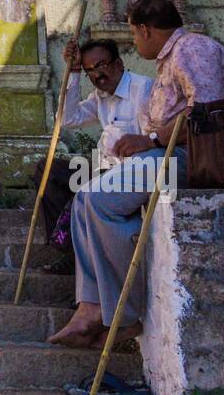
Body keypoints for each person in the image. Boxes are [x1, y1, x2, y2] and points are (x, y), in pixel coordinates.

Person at [50, 0, 224, 350]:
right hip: (169, 153)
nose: (136, 42)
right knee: (84, 200)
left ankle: (124, 314)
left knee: (102, 199)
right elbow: (70, 117)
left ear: (146, 29)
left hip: (195, 156)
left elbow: (206, 114)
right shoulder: (173, 57)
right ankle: (91, 307)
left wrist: (151, 139)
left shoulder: (191, 48)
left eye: (135, 35)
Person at [36, 38, 152, 265]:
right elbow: (68, 118)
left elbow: (152, 140)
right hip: (103, 171)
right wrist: (75, 71)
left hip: (132, 176)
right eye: (90, 70)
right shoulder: (100, 97)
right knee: (48, 170)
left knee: (86, 191)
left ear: (118, 64)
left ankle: (79, 254)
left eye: (101, 65)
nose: (97, 74)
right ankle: (69, 250)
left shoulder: (142, 90)